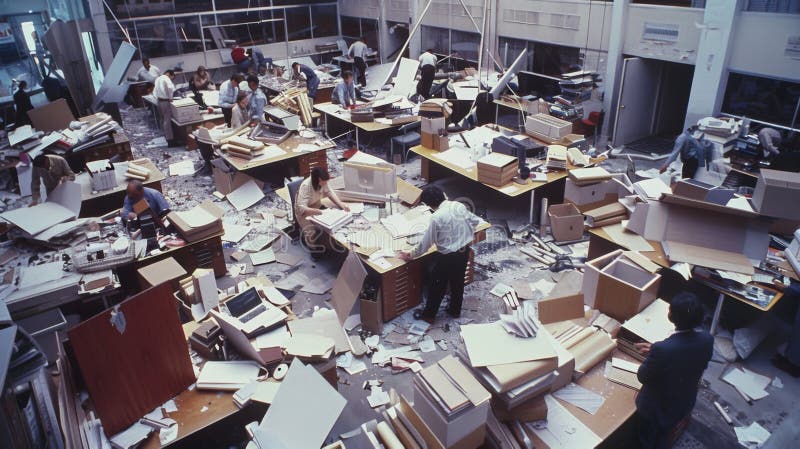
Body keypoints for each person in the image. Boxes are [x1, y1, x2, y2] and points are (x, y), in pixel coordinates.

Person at [635, 292, 713, 449]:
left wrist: (657, 353)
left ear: (671, 316)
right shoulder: (707, 339)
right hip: (684, 401)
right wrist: (659, 351)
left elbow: (642, 376)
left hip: (657, 409)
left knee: (647, 438)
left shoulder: (663, 349)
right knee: (664, 434)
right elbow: (691, 358)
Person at [399, 186, 481, 323]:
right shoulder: (458, 205)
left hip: (448, 257)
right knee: (458, 282)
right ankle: (454, 310)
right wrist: (462, 233)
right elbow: (475, 221)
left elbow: (425, 244)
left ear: (428, 205)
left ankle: (429, 316)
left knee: (437, 286)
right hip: (464, 251)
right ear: (444, 194)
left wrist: (410, 254)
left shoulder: (436, 217)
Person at [295, 167, 350, 254]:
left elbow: (329, 193)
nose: (325, 184)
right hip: (304, 211)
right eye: (323, 182)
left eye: (325, 182)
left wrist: (341, 204)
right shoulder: (306, 186)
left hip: (316, 204)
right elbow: (302, 208)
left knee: (330, 223)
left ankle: (327, 243)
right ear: (317, 179)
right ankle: (313, 250)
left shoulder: (323, 182)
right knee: (311, 232)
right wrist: (316, 212)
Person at [154, 70, 177, 146]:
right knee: (167, 121)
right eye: (172, 77)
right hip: (165, 101)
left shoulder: (158, 78)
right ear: (170, 75)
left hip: (159, 101)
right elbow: (170, 88)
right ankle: (170, 141)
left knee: (162, 119)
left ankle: (165, 137)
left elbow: (154, 91)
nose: (171, 79)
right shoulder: (166, 78)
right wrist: (170, 98)